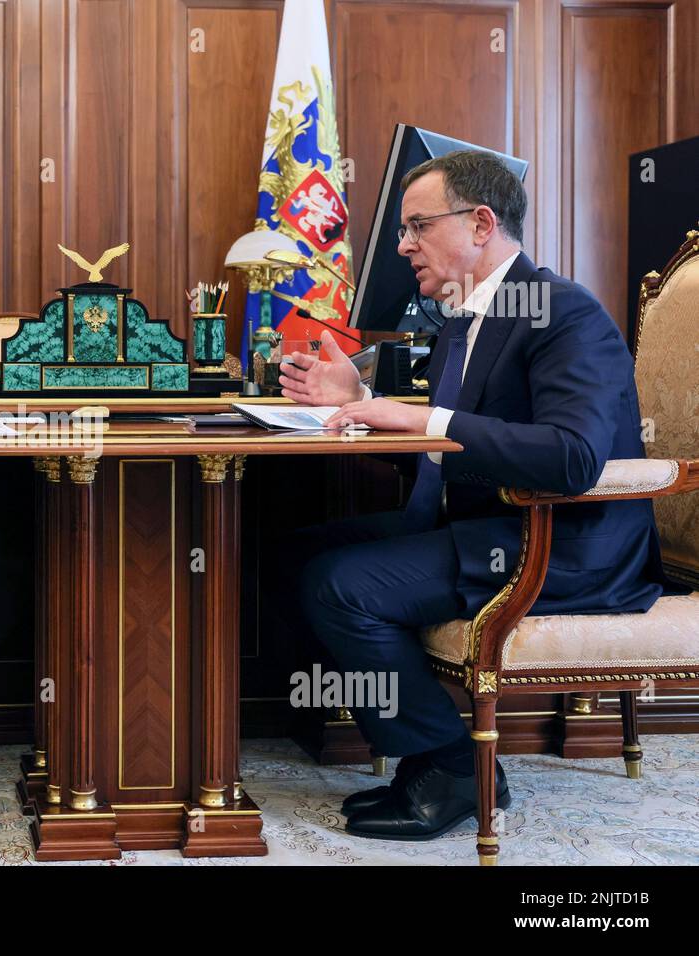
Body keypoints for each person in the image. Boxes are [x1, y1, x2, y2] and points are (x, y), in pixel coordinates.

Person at [276, 149, 680, 840]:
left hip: (562, 546)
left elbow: (574, 457)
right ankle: (416, 749)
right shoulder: (464, 317)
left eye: (418, 226)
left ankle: (453, 765)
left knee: (338, 584)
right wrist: (366, 400)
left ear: (482, 222)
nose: (402, 245)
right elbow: (455, 451)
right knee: (297, 553)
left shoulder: (561, 311)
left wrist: (423, 419)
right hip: (487, 526)